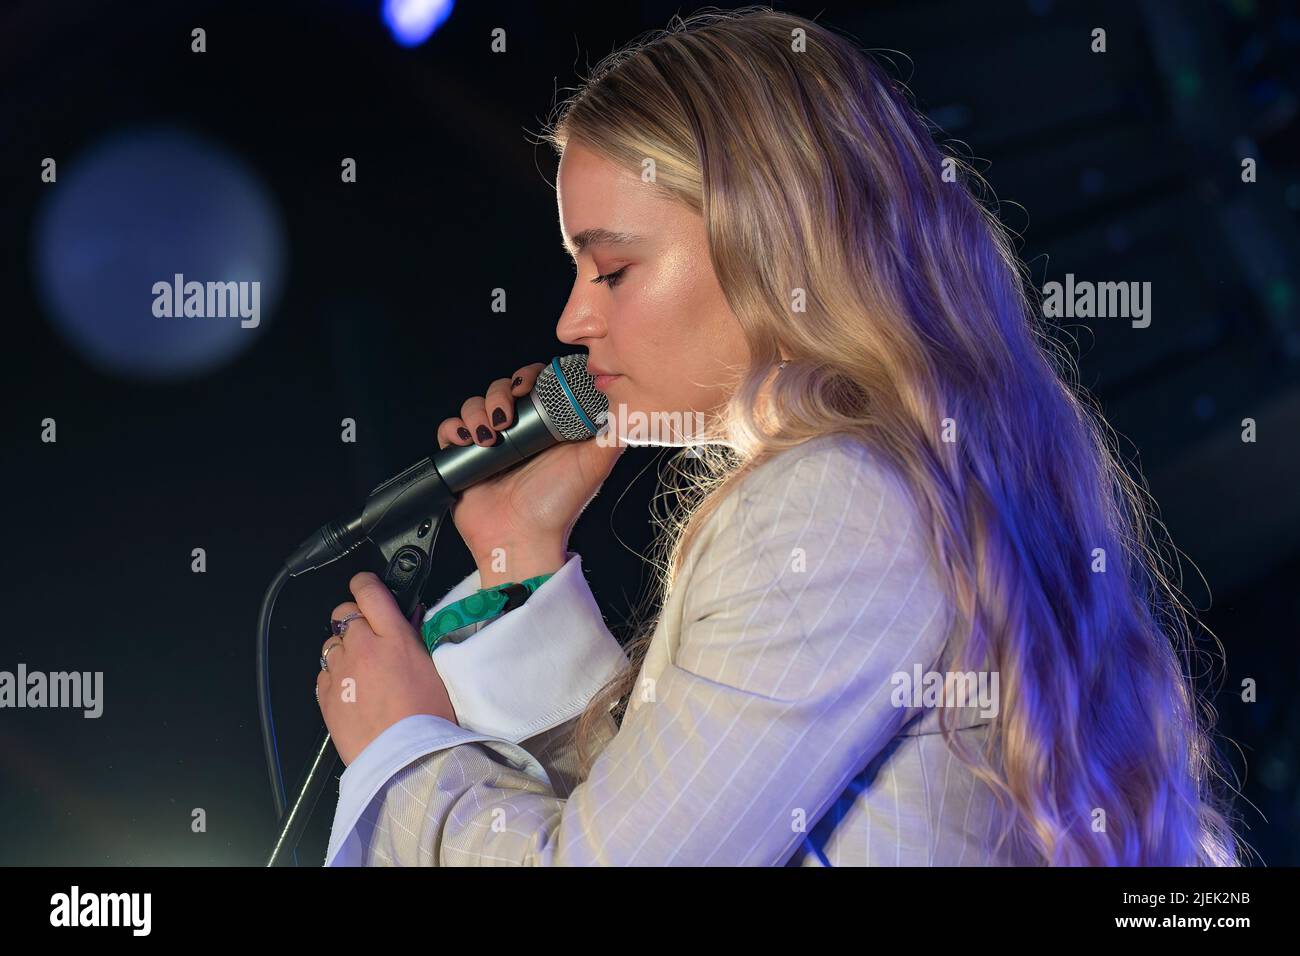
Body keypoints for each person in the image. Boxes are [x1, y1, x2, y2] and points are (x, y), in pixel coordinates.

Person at [314, 6, 1241, 866]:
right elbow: (662, 816)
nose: (570, 321)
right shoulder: (893, 481)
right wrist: (517, 553)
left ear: (769, 242)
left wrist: (404, 754)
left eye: (613, 268)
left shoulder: (828, 504)